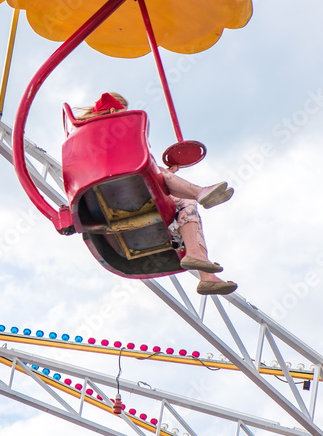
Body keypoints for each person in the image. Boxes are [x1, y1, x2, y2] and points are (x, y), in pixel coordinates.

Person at [80, 92, 237, 295]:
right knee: (182, 198)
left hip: (117, 183)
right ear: (112, 111)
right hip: (120, 181)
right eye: (122, 112)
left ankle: (205, 272)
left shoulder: (88, 138)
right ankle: (199, 194)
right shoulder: (109, 134)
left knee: (186, 206)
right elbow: (129, 161)